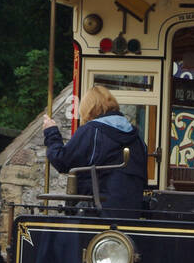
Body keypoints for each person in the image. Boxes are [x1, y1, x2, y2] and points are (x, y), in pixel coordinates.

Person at [43, 86, 148, 215]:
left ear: (88, 108)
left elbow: (62, 161)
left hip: (96, 213)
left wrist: (51, 132)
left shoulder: (92, 131)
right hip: (131, 213)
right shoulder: (137, 138)